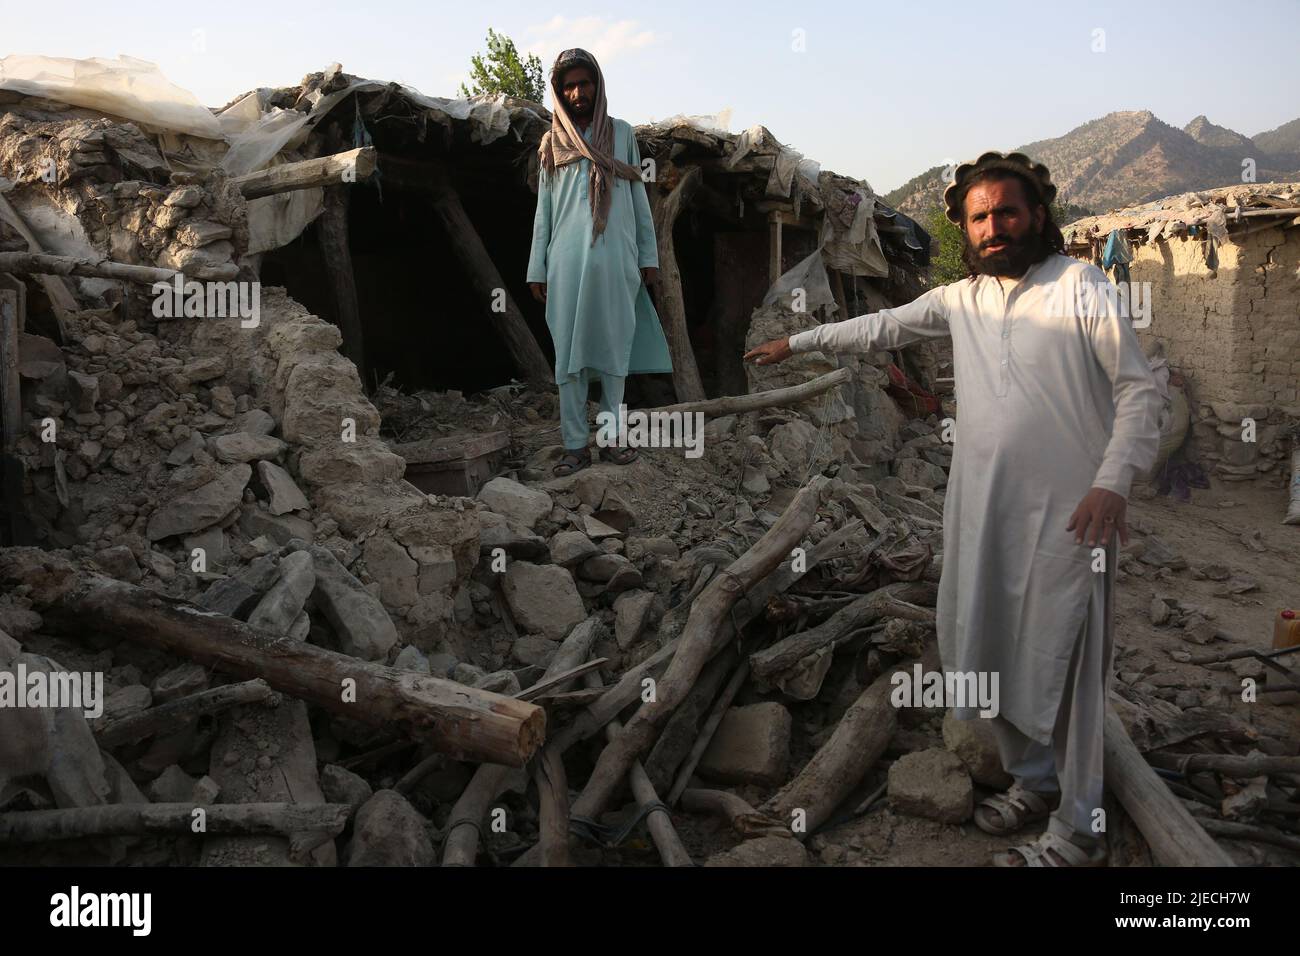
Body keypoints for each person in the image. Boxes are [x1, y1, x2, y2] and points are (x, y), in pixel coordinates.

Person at [744, 152, 1161, 867]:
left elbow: (1140, 390)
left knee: (1064, 663)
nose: (995, 227)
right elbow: (878, 329)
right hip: (983, 511)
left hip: (1072, 518)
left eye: (1007, 212)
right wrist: (797, 341)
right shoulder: (960, 300)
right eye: (980, 217)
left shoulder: (1080, 286)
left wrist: (1112, 481)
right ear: (964, 230)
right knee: (994, 644)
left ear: (1036, 215)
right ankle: (1034, 783)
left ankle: (1079, 830)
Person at [526, 48, 672, 476]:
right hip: (565, 266)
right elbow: (545, 211)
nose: (577, 92)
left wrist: (648, 256)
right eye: (568, 85)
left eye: (584, 83)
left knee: (612, 352)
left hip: (616, 261)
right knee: (568, 357)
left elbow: (636, 197)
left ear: (598, 85)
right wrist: (537, 267)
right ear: (559, 91)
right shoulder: (553, 142)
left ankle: (610, 438)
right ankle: (574, 445)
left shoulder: (622, 134)